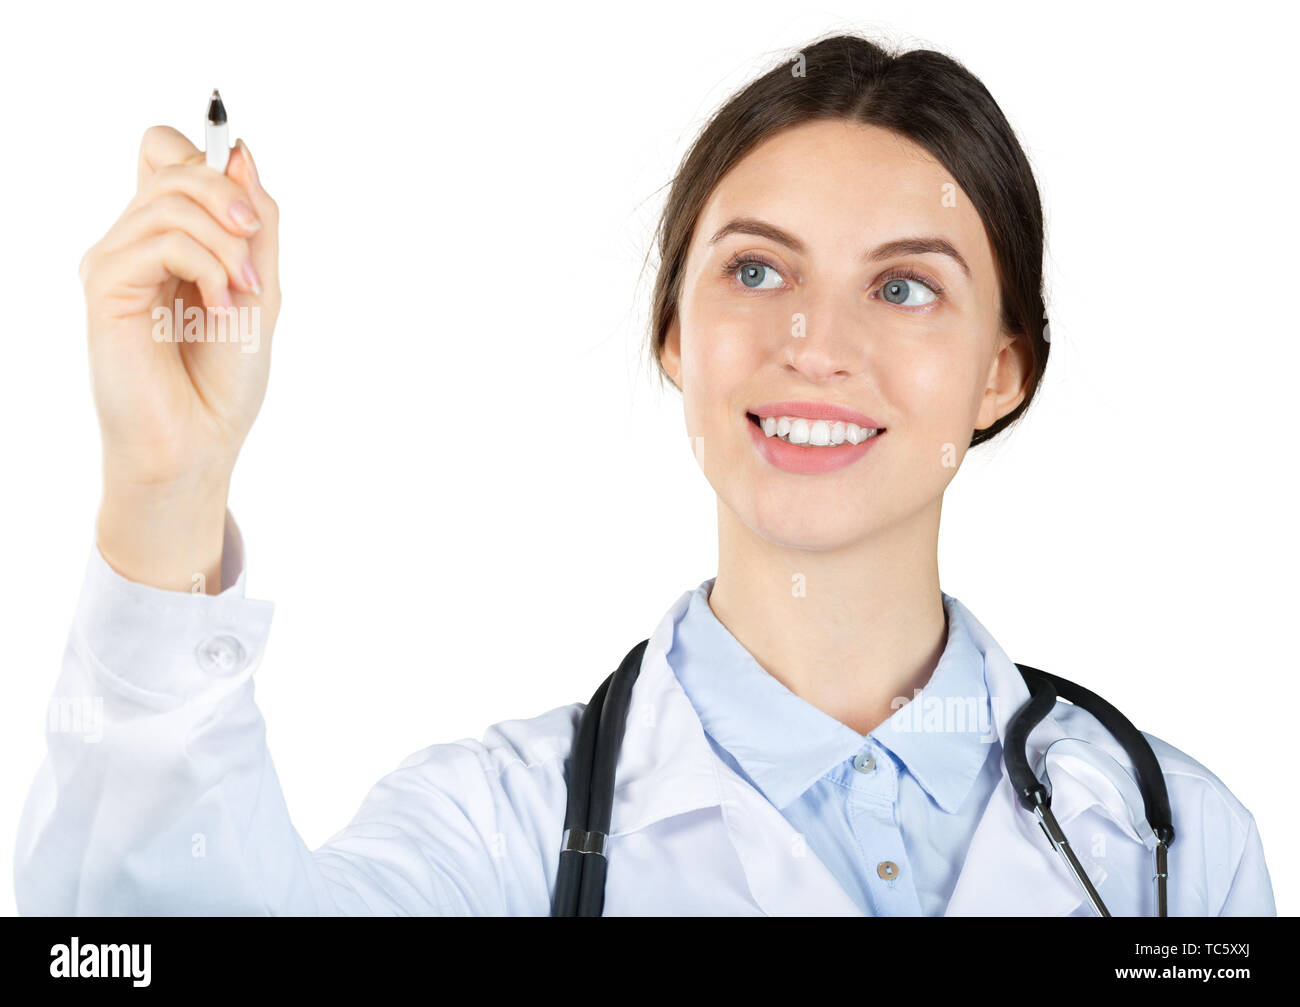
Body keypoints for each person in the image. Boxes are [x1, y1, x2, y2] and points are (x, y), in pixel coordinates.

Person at [14, 33, 1276, 916]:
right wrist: (164, 489)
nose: (814, 344)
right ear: (674, 333)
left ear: (1000, 372)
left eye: (903, 287)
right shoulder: (501, 835)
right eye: (756, 270)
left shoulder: (1173, 844)